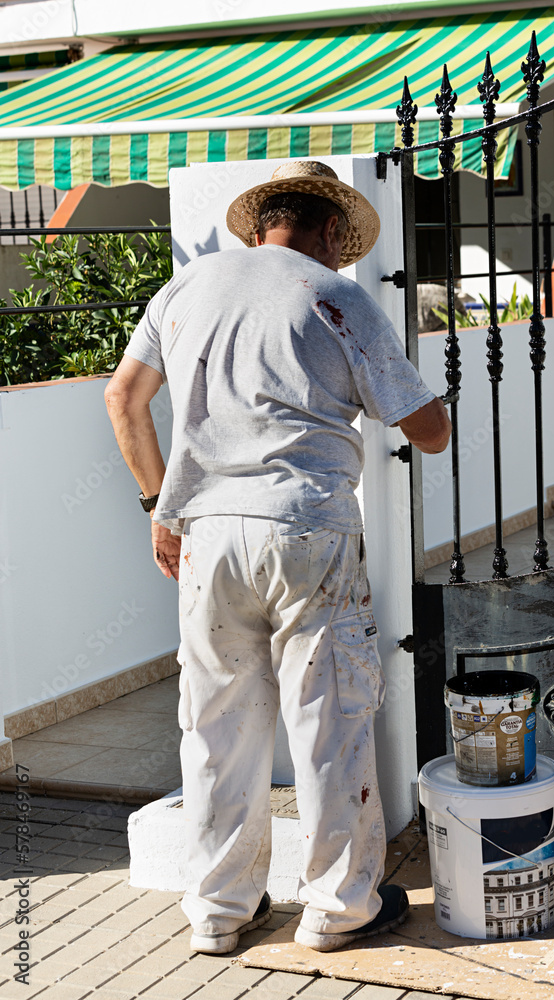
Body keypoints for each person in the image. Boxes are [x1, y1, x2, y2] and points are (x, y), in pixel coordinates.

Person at [105, 160, 450, 955]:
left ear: (262, 222)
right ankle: (336, 909)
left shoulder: (184, 289)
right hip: (306, 529)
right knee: (328, 718)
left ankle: (220, 913)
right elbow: (425, 428)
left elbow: (122, 397)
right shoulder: (334, 295)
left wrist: (161, 508)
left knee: (217, 726)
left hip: (206, 535)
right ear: (330, 229)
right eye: (340, 241)